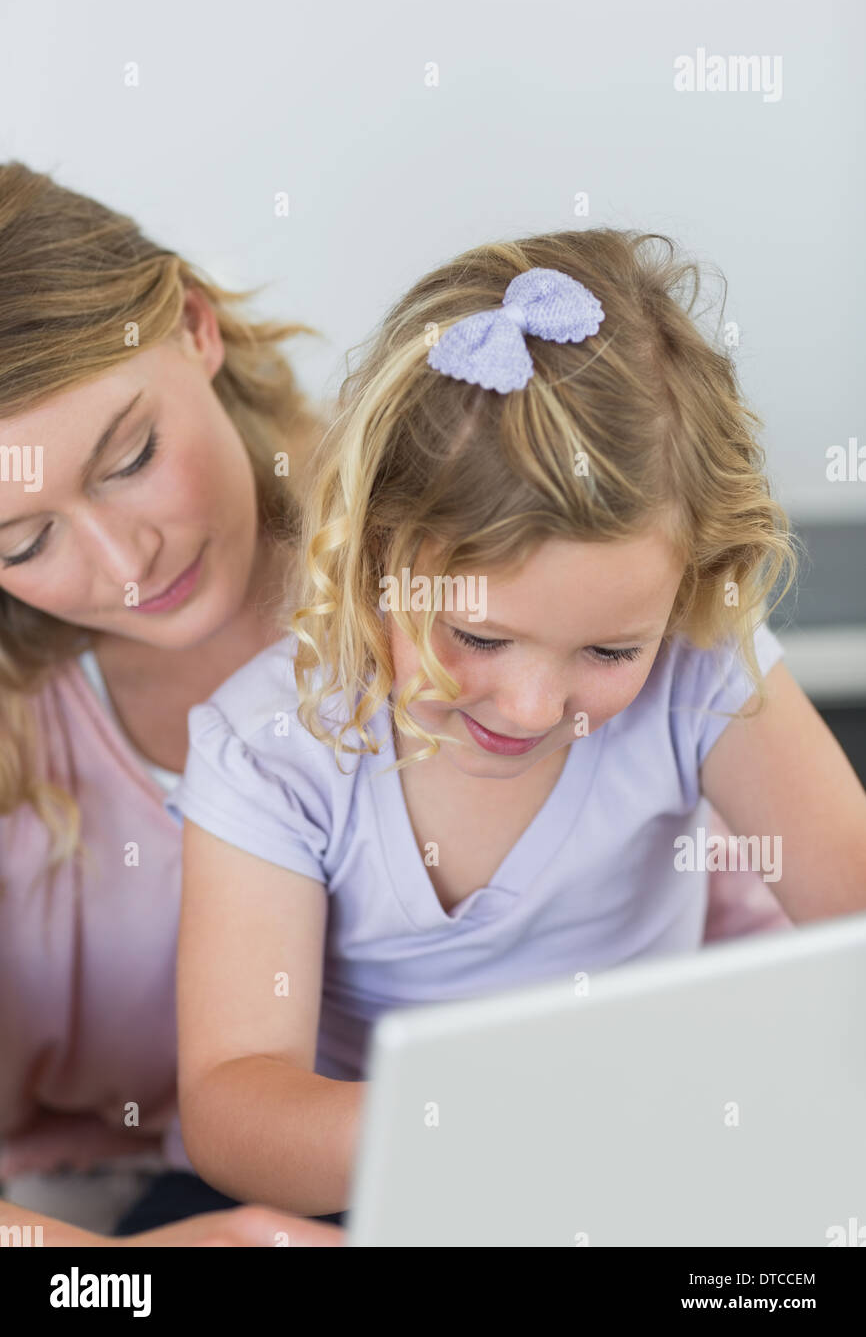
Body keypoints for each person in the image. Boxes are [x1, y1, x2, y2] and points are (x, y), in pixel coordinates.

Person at [168, 231, 866, 1222]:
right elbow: (236, 1105)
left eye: (610, 652)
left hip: (651, 1170)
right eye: (475, 634)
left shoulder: (701, 662)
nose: (535, 706)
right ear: (372, 557)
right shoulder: (270, 748)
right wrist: (498, 1131)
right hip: (378, 1191)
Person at [0, 160, 341, 1245]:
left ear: (195, 325)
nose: (124, 559)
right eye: (23, 541)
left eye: (131, 457)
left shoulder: (441, 579)